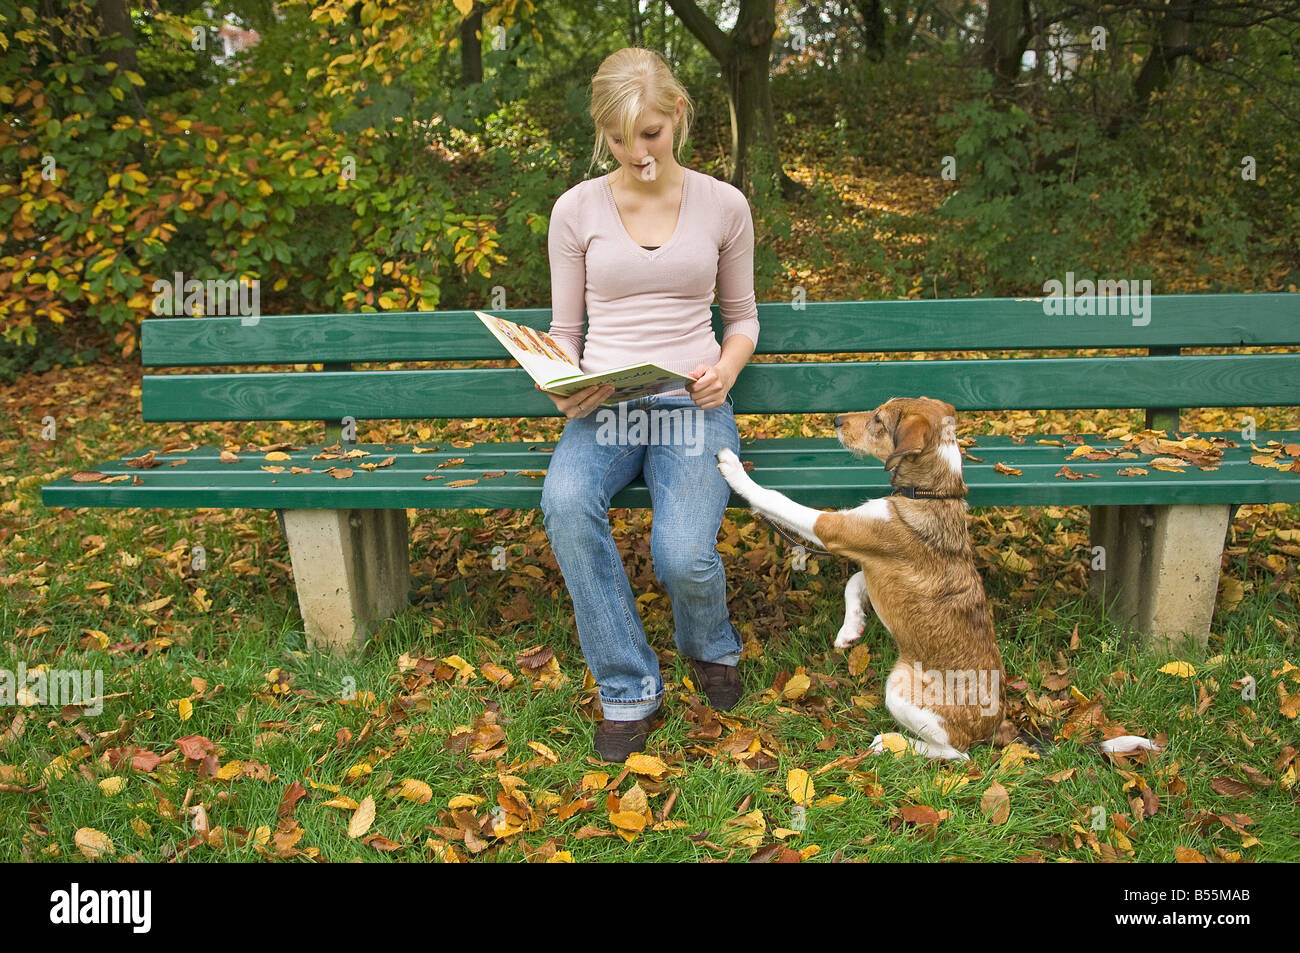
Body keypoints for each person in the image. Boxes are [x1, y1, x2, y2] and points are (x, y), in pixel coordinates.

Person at [537, 47, 760, 761]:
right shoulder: (576, 210)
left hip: (690, 403)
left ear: (680, 119)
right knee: (567, 503)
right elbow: (565, 332)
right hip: (606, 404)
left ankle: (709, 642)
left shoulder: (725, 205)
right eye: (619, 138)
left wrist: (725, 367)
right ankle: (629, 684)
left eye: (652, 134)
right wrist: (565, 381)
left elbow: (744, 319)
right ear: (602, 132)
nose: (637, 154)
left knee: (682, 553)